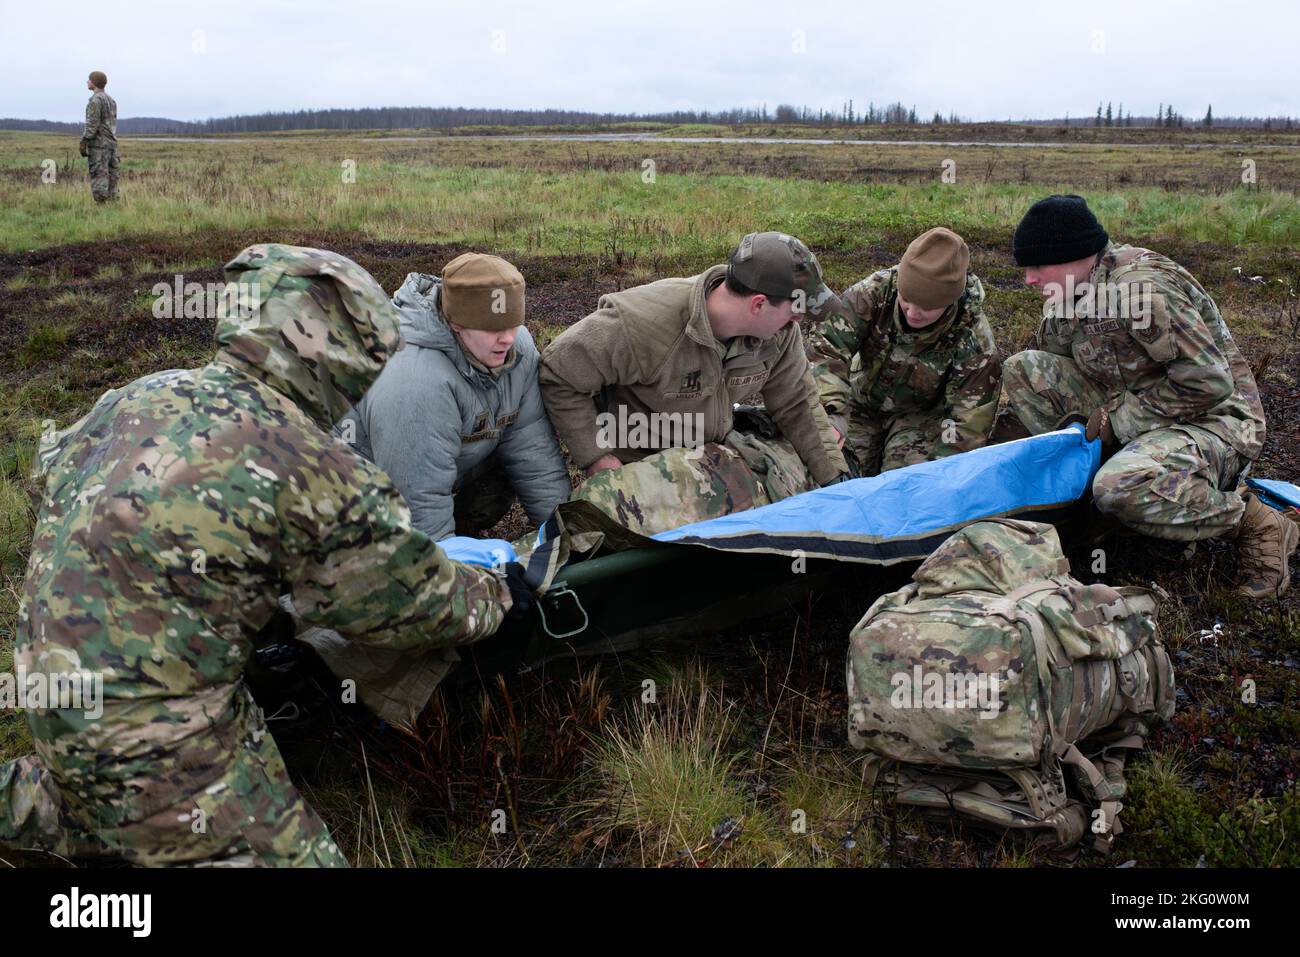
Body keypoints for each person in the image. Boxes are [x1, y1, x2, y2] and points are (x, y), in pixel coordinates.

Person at [0, 245, 521, 867]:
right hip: (160, 744)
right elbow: (409, 605)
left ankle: (73, 799)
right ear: (336, 354)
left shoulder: (136, 395)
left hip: (50, 696)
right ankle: (130, 808)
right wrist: (498, 590)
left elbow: (58, 478)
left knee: (106, 794)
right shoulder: (306, 459)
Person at [995, 194, 1297, 597]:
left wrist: (1117, 421)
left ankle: (1253, 521)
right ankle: (1100, 502)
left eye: (1037, 266)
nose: (1028, 279)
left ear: (1076, 255)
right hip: (1140, 407)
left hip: (1214, 422)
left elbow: (1206, 384)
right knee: (1025, 368)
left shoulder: (1142, 291)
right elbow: (1055, 363)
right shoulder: (1068, 291)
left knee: (1118, 488)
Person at [537, 232, 848, 528]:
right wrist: (597, 457)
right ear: (758, 304)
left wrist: (838, 485)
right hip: (643, 471)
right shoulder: (642, 323)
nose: (798, 322)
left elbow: (797, 402)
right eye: (795, 312)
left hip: (713, 462)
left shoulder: (778, 336)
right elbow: (559, 373)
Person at [338, 253, 570, 542]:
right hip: (353, 492)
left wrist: (565, 539)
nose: (507, 338)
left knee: (507, 465)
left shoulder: (516, 349)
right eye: (492, 328)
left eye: (513, 324)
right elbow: (417, 499)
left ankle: (462, 534)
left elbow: (534, 453)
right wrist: (449, 575)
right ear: (457, 324)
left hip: (440, 469)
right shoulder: (415, 380)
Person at [807, 227, 1001, 476]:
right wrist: (830, 412)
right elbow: (828, 348)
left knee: (906, 484)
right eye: (906, 299)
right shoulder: (873, 293)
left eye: (926, 308)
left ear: (949, 301)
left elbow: (967, 422)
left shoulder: (974, 339)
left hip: (921, 419)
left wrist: (942, 468)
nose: (912, 313)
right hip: (859, 404)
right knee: (836, 470)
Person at [80, 70, 118, 203]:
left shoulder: (95, 100)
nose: (87, 82)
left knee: (99, 174)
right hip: (111, 144)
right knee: (112, 175)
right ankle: (113, 203)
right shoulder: (111, 100)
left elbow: (92, 124)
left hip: (99, 145)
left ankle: (101, 206)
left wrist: (84, 141)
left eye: (89, 79)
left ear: (94, 83)